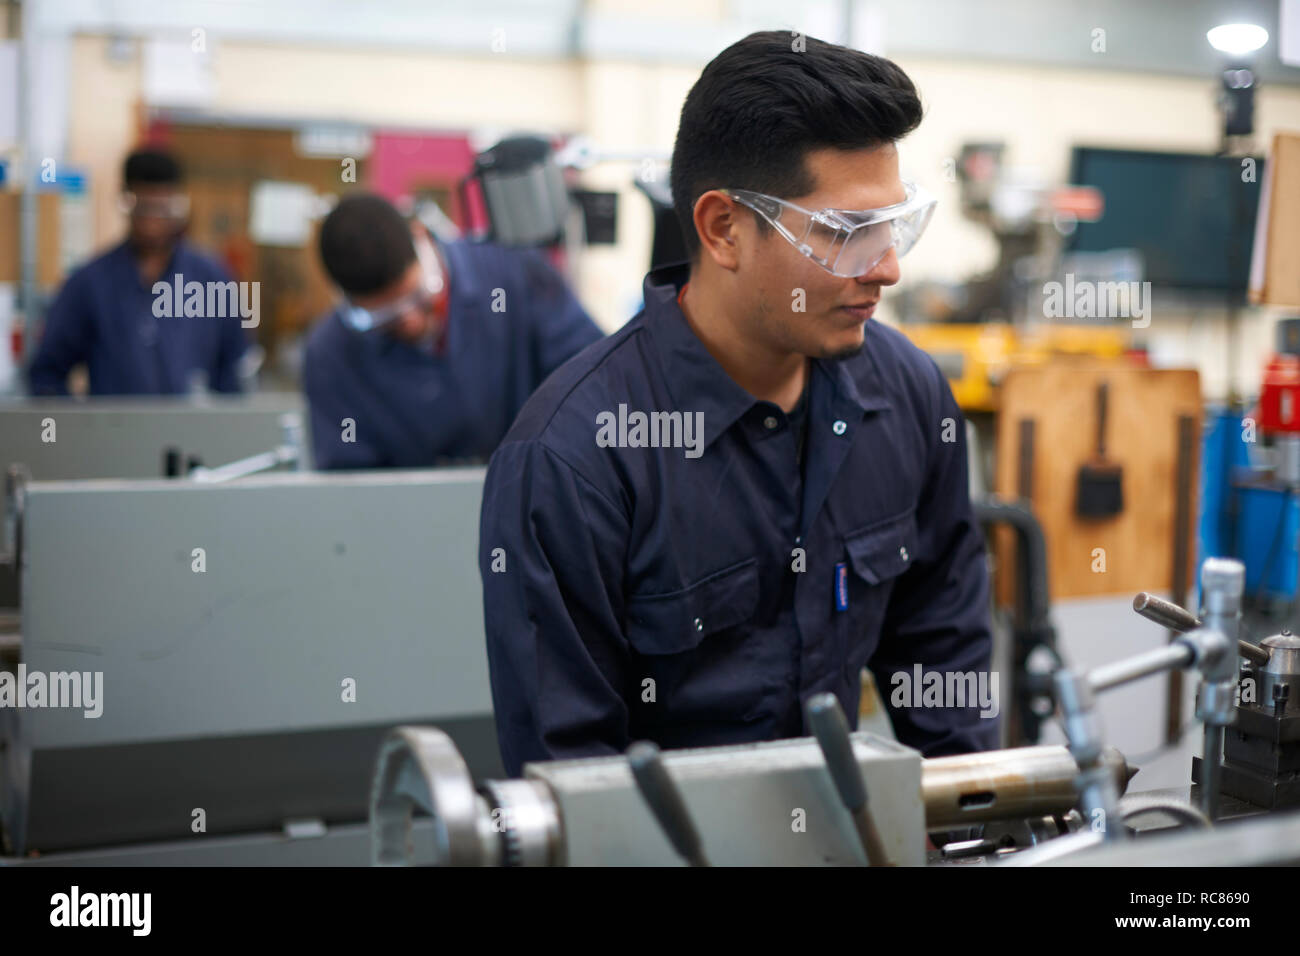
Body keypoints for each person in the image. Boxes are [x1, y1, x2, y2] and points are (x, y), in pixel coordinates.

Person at [480, 31, 998, 777]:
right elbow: (572, 781)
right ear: (724, 229)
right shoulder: (574, 460)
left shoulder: (909, 396)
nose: (885, 266)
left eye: (893, 224)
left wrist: (970, 836)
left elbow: (943, 661)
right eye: (848, 231)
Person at [303, 194, 603, 468]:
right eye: (384, 318)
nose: (410, 322)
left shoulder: (513, 273)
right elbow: (349, 488)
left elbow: (594, 381)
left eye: (418, 297)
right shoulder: (330, 356)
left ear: (421, 238)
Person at [28, 148, 249, 395]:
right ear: (125, 202)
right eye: (144, 207)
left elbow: (236, 372)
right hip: (114, 431)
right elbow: (46, 374)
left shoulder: (212, 280)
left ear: (178, 204)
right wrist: (84, 428)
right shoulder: (89, 284)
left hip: (194, 430)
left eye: (162, 207)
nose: (153, 221)